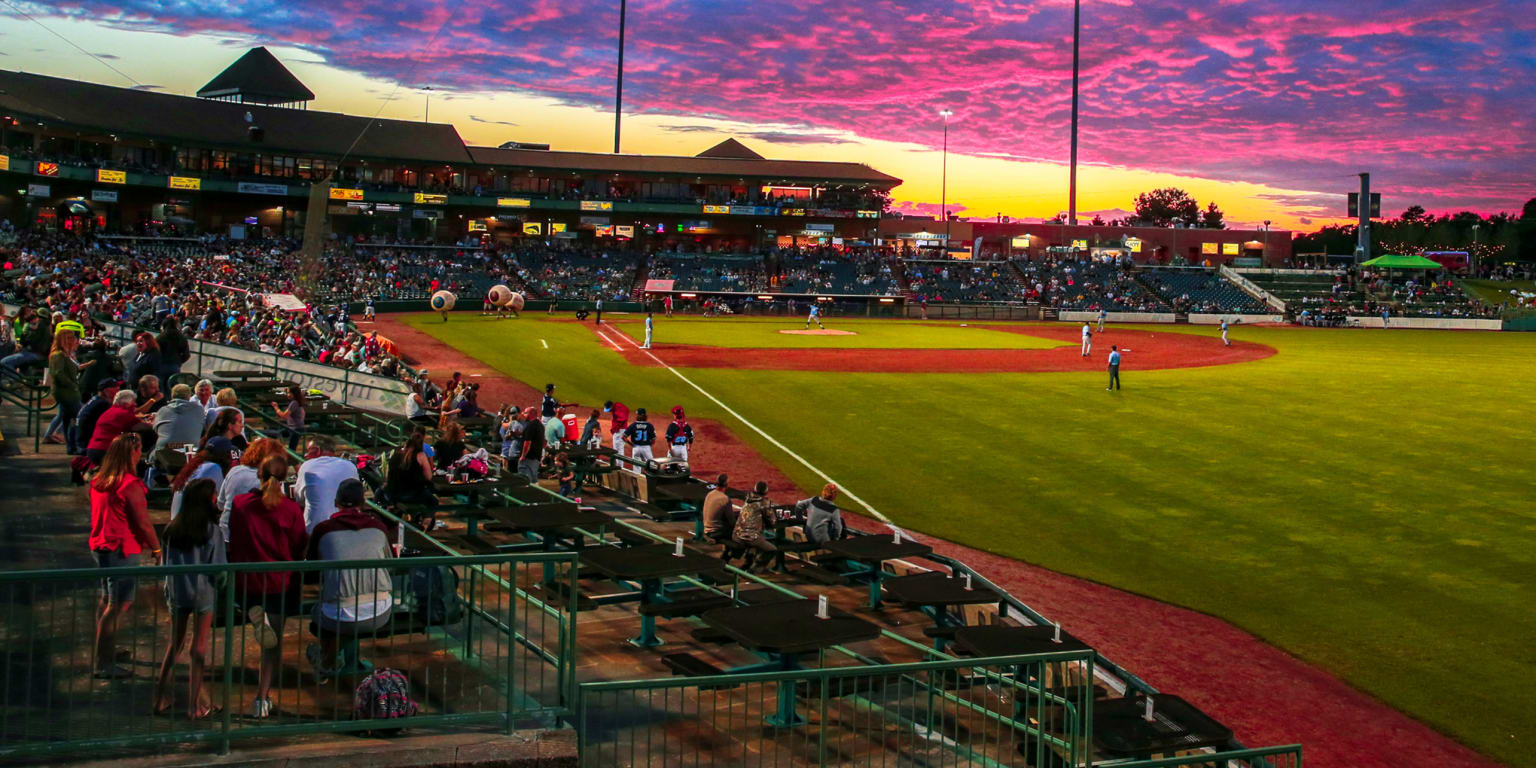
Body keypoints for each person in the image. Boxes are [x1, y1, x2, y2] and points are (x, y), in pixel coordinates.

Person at [227, 456, 308, 719]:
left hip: (247, 579)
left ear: (258, 474)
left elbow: (233, 535)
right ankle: (262, 698)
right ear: (284, 478)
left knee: (266, 631)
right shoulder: (290, 509)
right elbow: (299, 545)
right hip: (278, 581)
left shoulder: (241, 504)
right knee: (272, 646)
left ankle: (253, 611)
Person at [304, 479, 394, 681]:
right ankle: (331, 659)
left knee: (324, 612)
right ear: (363, 502)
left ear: (336, 502)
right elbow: (391, 564)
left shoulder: (324, 530)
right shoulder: (378, 527)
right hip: (380, 611)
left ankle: (328, 659)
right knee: (345, 611)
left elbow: (311, 570)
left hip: (339, 613)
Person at [89, 432, 161, 678]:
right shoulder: (129, 485)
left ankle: (105, 649)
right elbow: (143, 522)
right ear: (133, 452)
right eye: (139, 450)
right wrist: (157, 548)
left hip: (101, 545)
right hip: (121, 548)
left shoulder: (100, 480)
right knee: (118, 604)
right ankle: (103, 662)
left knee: (107, 600)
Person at [153, 477, 225, 719]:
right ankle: (194, 705)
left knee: (176, 643)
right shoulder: (212, 531)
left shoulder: (171, 529)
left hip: (177, 591)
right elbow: (219, 567)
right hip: (203, 592)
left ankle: (160, 697)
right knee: (199, 646)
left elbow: (165, 564)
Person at [218, 437, 286, 540]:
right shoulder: (268, 480)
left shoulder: (234, 471)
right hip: (249, 538)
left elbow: (220, 504)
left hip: (224, 533)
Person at [295, 434, 360, 533]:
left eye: (308, 450)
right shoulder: (350, 466)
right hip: (345, 527)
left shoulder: (307, 465)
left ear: (318, 450)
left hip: (314, 529)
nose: (305, 455)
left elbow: (299, 499)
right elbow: (357, 497)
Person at [45, 327, 93, 452]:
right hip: (66, 392)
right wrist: (72, 384)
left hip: (69, 391)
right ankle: (77, 445)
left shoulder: (66, 355)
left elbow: (73, 368)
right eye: (70, 338)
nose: (74, 340)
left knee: (67, 419)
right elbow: (58, 373)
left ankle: (71, 446)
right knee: (79, 416)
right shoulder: (58, 355)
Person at [169, 436, 234, 520]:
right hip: (189, 523)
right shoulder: (213, 467)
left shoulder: (196, 465)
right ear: (225, 454)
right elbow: (222, 501)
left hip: (178, 522)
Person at [87, 389, 146, 465]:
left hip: (92, 449)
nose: (135, 404)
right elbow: (142, 427)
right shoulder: (125, 413)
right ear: (127, 403)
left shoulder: (109, 411)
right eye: (133, 401)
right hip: (107, 451)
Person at [383, 430, 437, 507]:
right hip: (410, 494)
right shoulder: (421, 456)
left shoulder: (396, 454)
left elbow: (387, 475)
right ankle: (424, 515)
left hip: (392, 493)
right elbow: (429, 477)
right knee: (433, 501)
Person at [732, 481, 778, 572]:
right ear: (765, 491)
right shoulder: (764, 503)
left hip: (736, 534)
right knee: (772, 549)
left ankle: (747, 563)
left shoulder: (748, 498)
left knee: (757, 539)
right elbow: (772, 521)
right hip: (750, 537)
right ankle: (754, 570)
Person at [77, 378, 124, 462]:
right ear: (106, 391)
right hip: (89, 446)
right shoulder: (103, 404)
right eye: (116, 388)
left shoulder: (95, 400)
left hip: (81, 443)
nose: (119, 390)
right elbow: (119, 420)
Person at [153, 383, 206, 454]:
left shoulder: (162, 410)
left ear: (172, 395)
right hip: (190, 449)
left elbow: (156, 430)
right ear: (189, 396)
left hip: (165, 450)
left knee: (152, 451)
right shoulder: (199, 409)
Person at [701, 473, 736, 546]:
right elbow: (731, 521)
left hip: (706, 529)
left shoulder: (710, 494)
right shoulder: (725, 499)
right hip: (716, 532)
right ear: (726, 484)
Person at [156, 318, 190, 390]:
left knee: (160, 388)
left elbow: (154, 351)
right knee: (172, 388)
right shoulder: (181, 337)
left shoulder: (160, 337)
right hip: (175, 366)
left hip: (161, 365)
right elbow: (187, 355)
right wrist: (178, 361)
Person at [270, 385, 306, 451]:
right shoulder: (297, 402)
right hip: (294, 428)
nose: (288, 395)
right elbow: (303, 414)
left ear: (294, 393)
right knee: (277, 434)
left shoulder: (294, 403)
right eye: (287, 393)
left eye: (289, 393)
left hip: (295, 429)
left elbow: (284, 416)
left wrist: (276, 407)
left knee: (292, 449)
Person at [517, 407, 545, 482]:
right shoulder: (540, 425)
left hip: (528, 457)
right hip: (536, 456)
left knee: (525, 478)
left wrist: (523, 456)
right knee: (533, 477)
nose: (523, 414)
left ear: (530, 414)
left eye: (525, 413)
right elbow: (544, 441)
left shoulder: (530, 425)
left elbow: (527, 442)